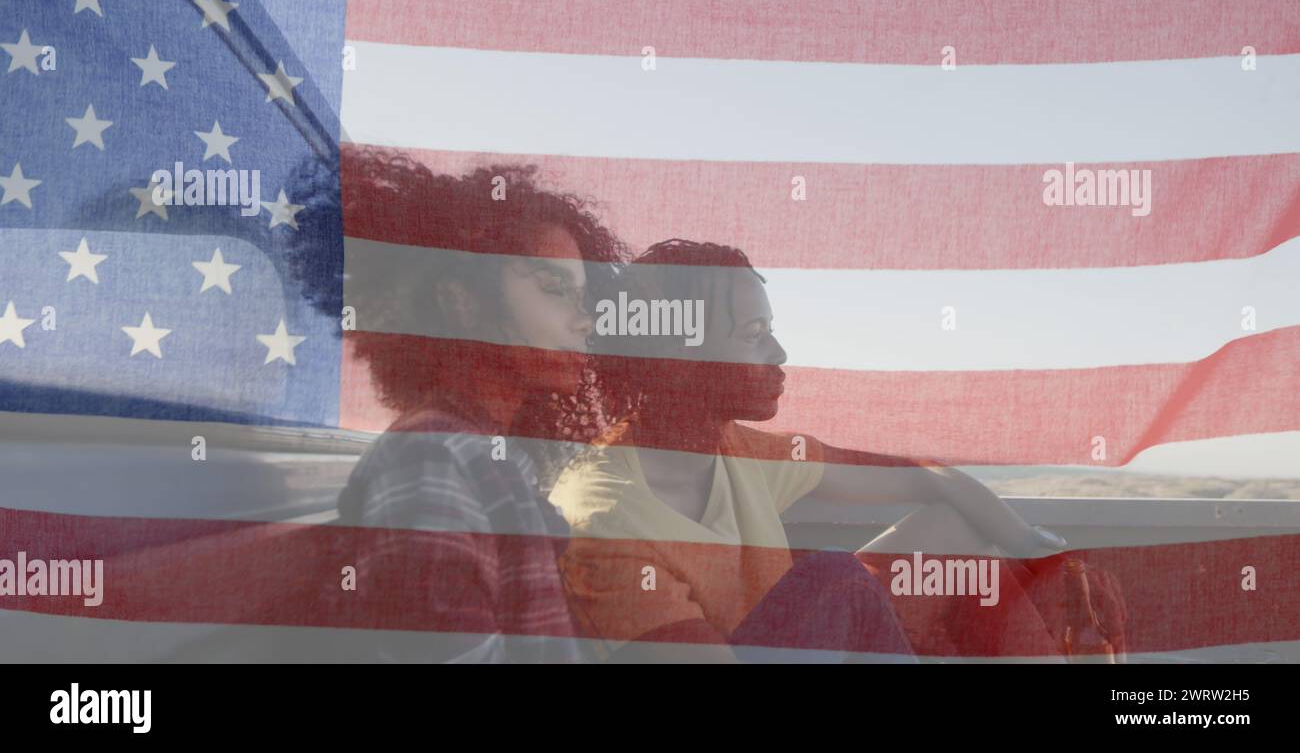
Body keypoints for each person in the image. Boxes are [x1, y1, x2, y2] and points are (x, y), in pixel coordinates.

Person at [548, 239, 1068, 663]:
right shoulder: (606, 515)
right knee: (835, 578)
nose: (779, 354)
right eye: (754, 335)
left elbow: (926, 477)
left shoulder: (740, 452)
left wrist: (1042, 556)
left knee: (957, 531)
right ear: (675, 358)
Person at [334, 148, 627, 662]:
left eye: (583, 299)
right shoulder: (433, 458)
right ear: (462, 301)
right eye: (554, 289)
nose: (586, 322)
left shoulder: (491, 454)